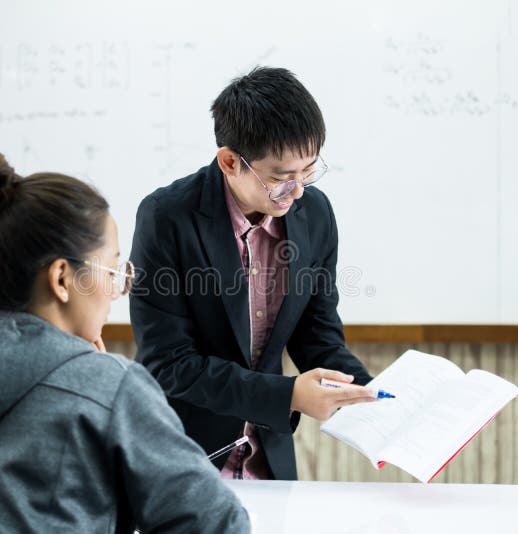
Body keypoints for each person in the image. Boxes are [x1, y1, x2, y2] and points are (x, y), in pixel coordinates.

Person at [0, 147, 249, 533]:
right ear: (62, 278)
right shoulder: (108, 385)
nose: (118, 289)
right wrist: (105, 383)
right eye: (113, 269)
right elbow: (219, 523)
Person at [130, 66, 377, 482]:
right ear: (230, 162)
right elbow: (167, 363)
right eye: (281, 178)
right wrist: (289, 395)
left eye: (309, 171)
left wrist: (372, 393)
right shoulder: (167, 217)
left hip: (269, 463)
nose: (297, 192)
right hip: (180, 459)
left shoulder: (314, 214)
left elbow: (317, 336)